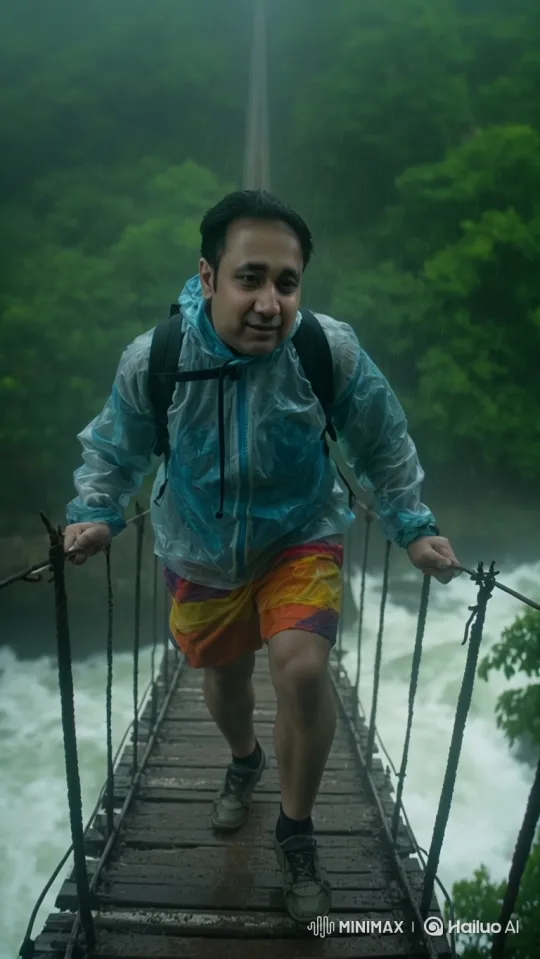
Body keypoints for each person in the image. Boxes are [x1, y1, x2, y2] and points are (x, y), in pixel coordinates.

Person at [63, 189, 460, 924]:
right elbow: (115, 446)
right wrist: (93, 513)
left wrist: (413, 526)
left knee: (302, 667)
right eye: (250, 278)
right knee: (224, 680)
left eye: (286, 281)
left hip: (300, 534)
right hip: (199, 546)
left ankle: (296, 826)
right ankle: (244, 757)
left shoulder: (327, 350)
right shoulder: (158, 357)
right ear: (208, 277)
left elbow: (381, 441)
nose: (269, 301)